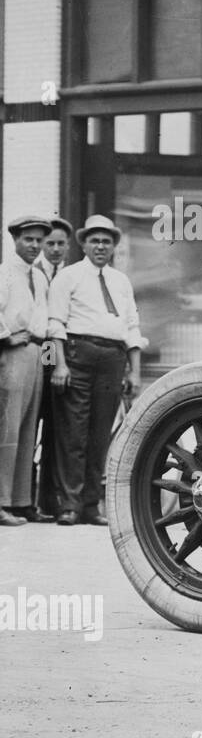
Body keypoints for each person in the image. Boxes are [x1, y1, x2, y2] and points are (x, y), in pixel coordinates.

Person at [46, 215, 146, 527]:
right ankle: (70, 505)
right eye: (95, 240)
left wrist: (134, 372)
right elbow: (56, 324)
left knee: (100, 433)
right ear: (84, 244)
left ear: (114, 246)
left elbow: (131, 326)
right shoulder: (69, 277)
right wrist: (60, 364)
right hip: (78, 355)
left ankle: (91, 504)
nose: (100, 246)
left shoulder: (121, 281)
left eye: (106, 241)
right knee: (73, 432)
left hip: (112, 359)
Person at [0, 217, 54, 526]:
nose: (34, 246)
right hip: (14, 353)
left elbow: (44, 325)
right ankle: (1, 502)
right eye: (28, 239)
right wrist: (7, 336)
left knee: (27, 430)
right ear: (15, 239)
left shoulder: (41, 276)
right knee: (7, 430)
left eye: (39, 241)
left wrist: (47, 364)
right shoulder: (5, 273)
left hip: (36, 354)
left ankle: (20, 501)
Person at [33, 217, 72, 517]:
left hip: (59, 355)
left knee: (56, 433)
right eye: (50, 244)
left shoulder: (70, 276)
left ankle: (49, 498)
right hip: (41, 353)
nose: (55, 249)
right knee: (32, 427)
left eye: (60, 244)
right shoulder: (34, 274)